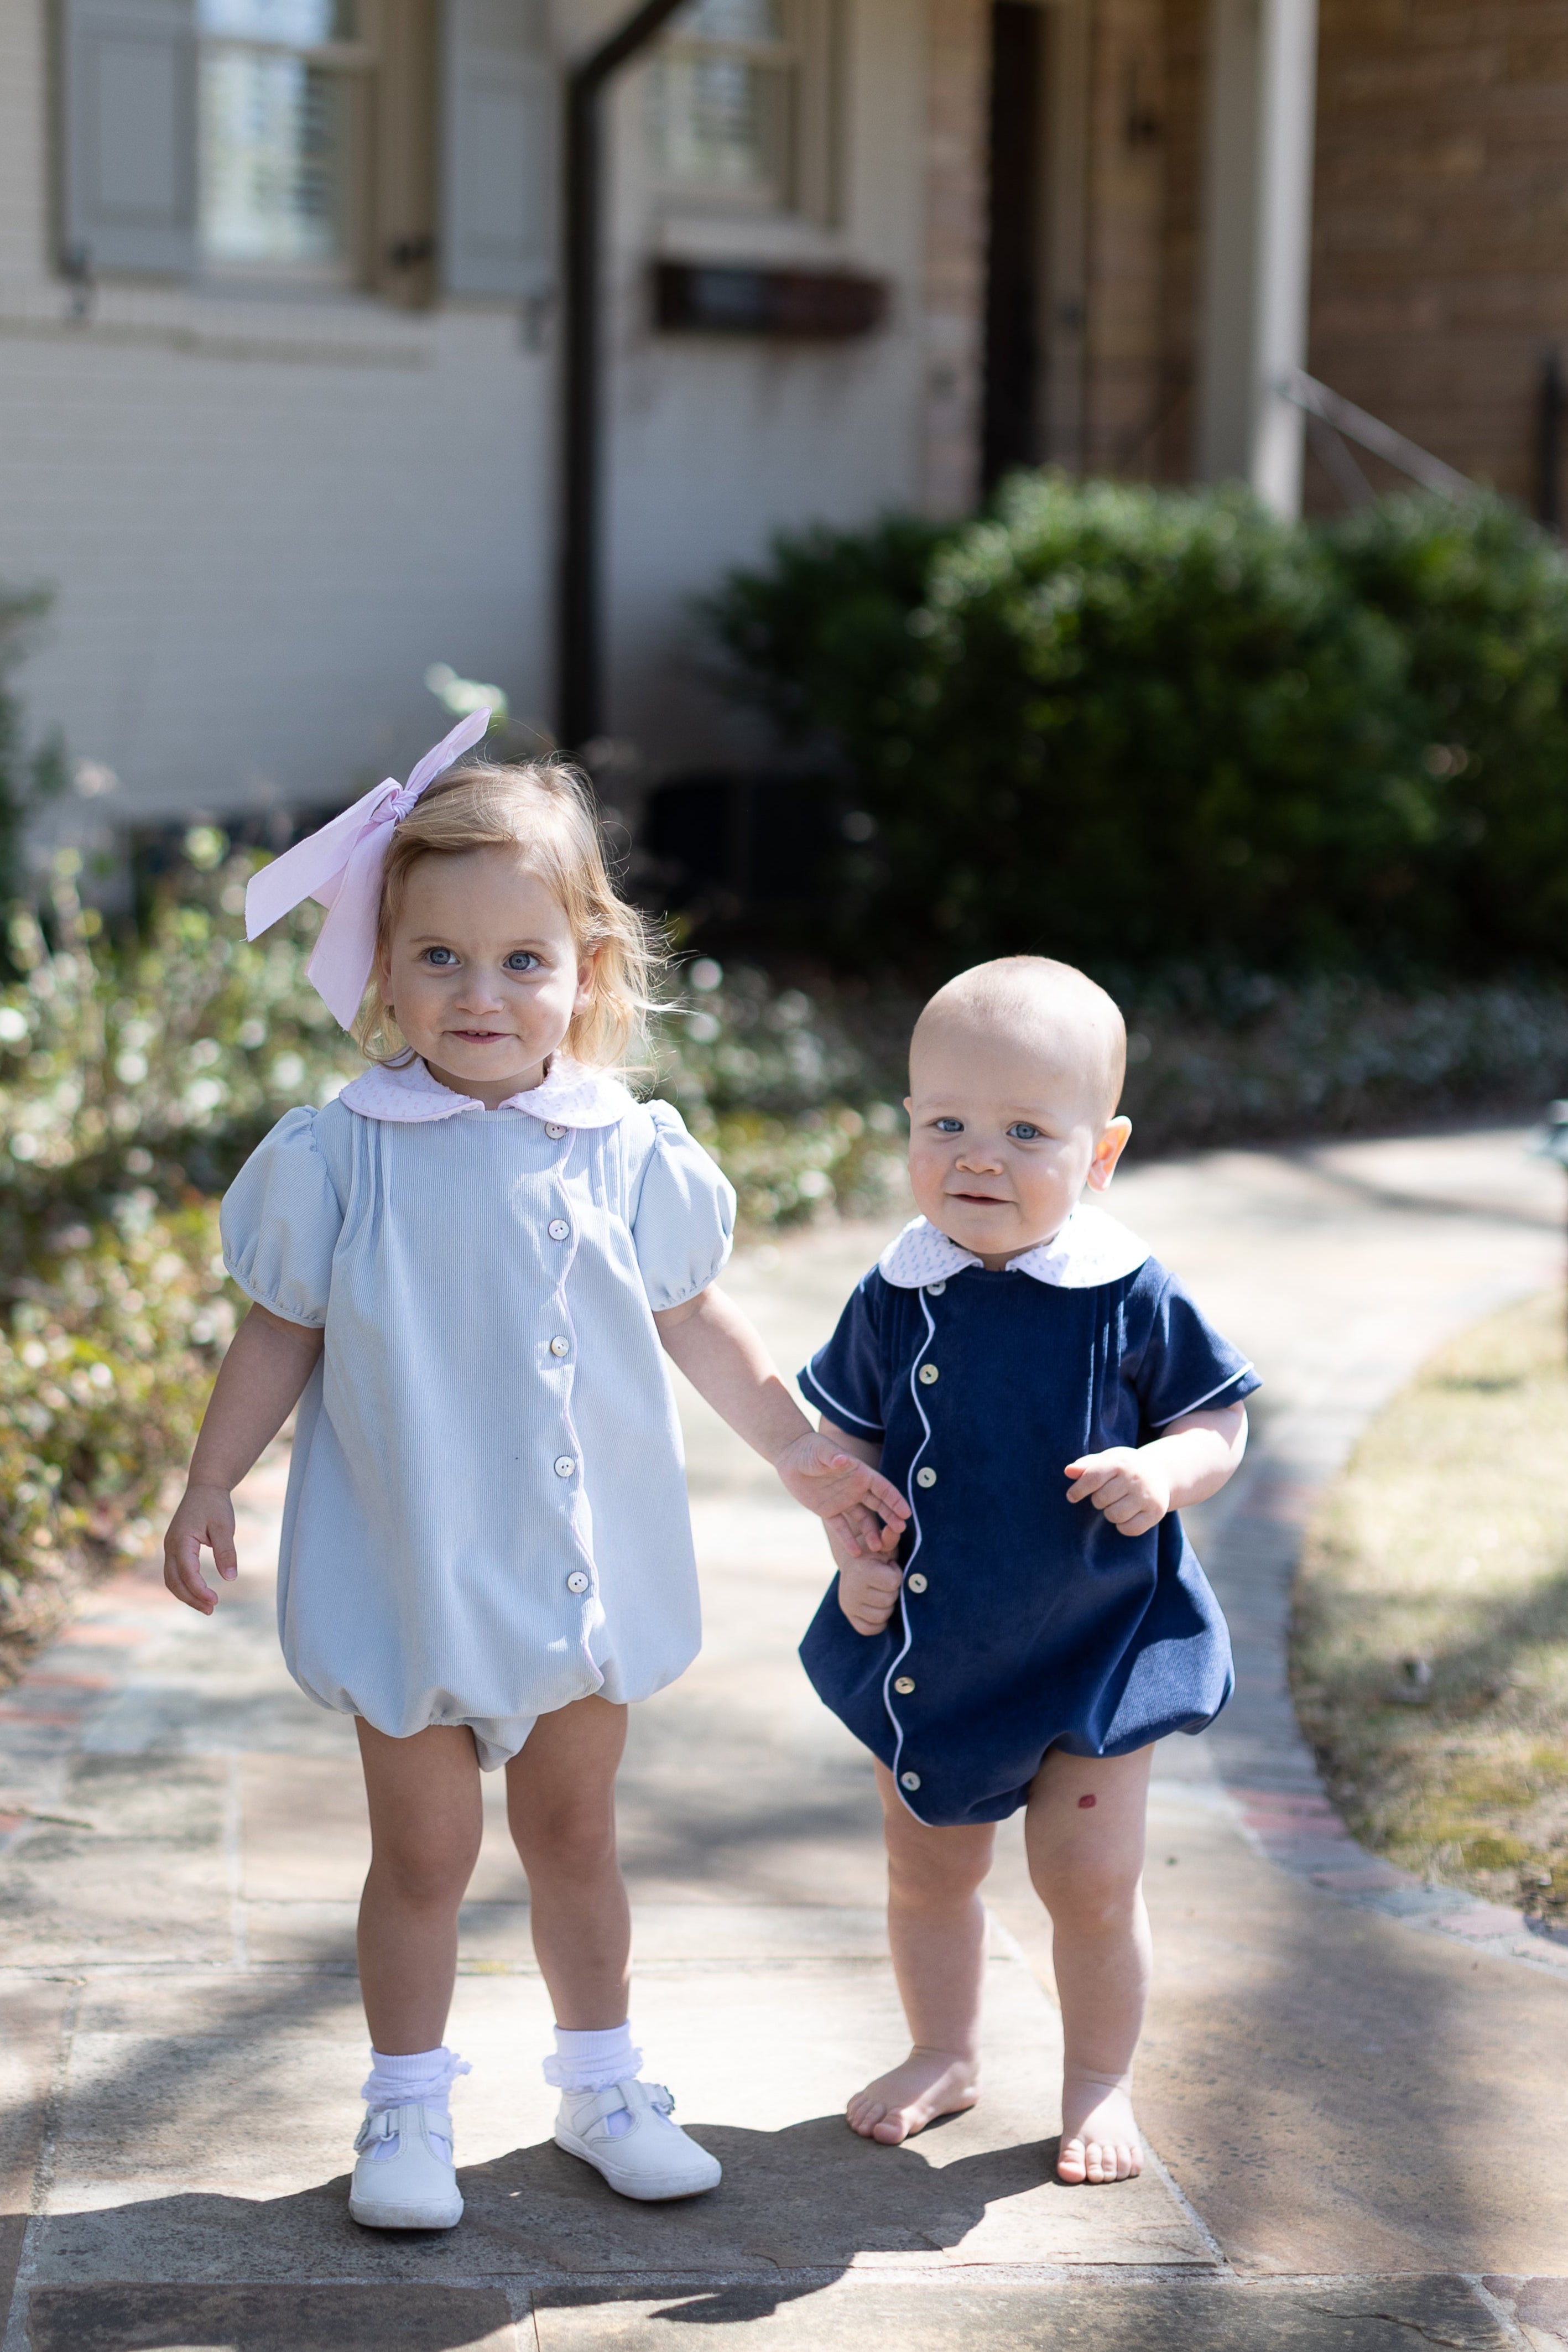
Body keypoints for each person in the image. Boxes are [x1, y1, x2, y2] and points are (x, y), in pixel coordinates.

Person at [162, 714, 908, 2232]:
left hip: (579, 1569)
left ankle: (599, 2080)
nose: (480, 993)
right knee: (422, 1850)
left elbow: (700, 1323)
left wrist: (802, 1454)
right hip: (409, 1567)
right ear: (380, 969)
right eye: (437, 957)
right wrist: (211, 1482)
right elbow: (276, 1333)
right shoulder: (342, 1153)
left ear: (587, 969)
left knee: (575, 1833)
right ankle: (406, 2102)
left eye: (521, 960)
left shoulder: (622, 1148)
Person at [795, 956, 1257, 2187]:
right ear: (906, 1125)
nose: (976, 1158)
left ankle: (1097, 2075)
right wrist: (851, 1546)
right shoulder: (898, 1288)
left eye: (1022, 1132)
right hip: (936, 1638)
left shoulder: (1124, 1291)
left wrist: (1162, 1476)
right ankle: (942, 2048)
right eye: (944, 1122)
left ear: (1098, 1154)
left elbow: (1218, 1424)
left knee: (1088, 1879)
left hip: (1095, 1636)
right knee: (925, 1865)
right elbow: (845, 1441)